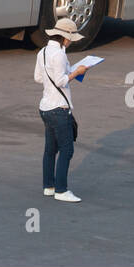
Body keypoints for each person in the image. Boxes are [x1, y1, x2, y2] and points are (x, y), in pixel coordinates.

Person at [34, 17, 92, 203]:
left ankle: (48, 186)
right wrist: (77, 73)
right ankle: (61, 189)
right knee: (67, 150)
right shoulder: (59, 54)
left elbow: (38, 77)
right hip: (59, 108)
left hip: (46, 107)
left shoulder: (43, 52)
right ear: (65, 37)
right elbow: (61, 81)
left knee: (50, 149)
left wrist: (67, 73)